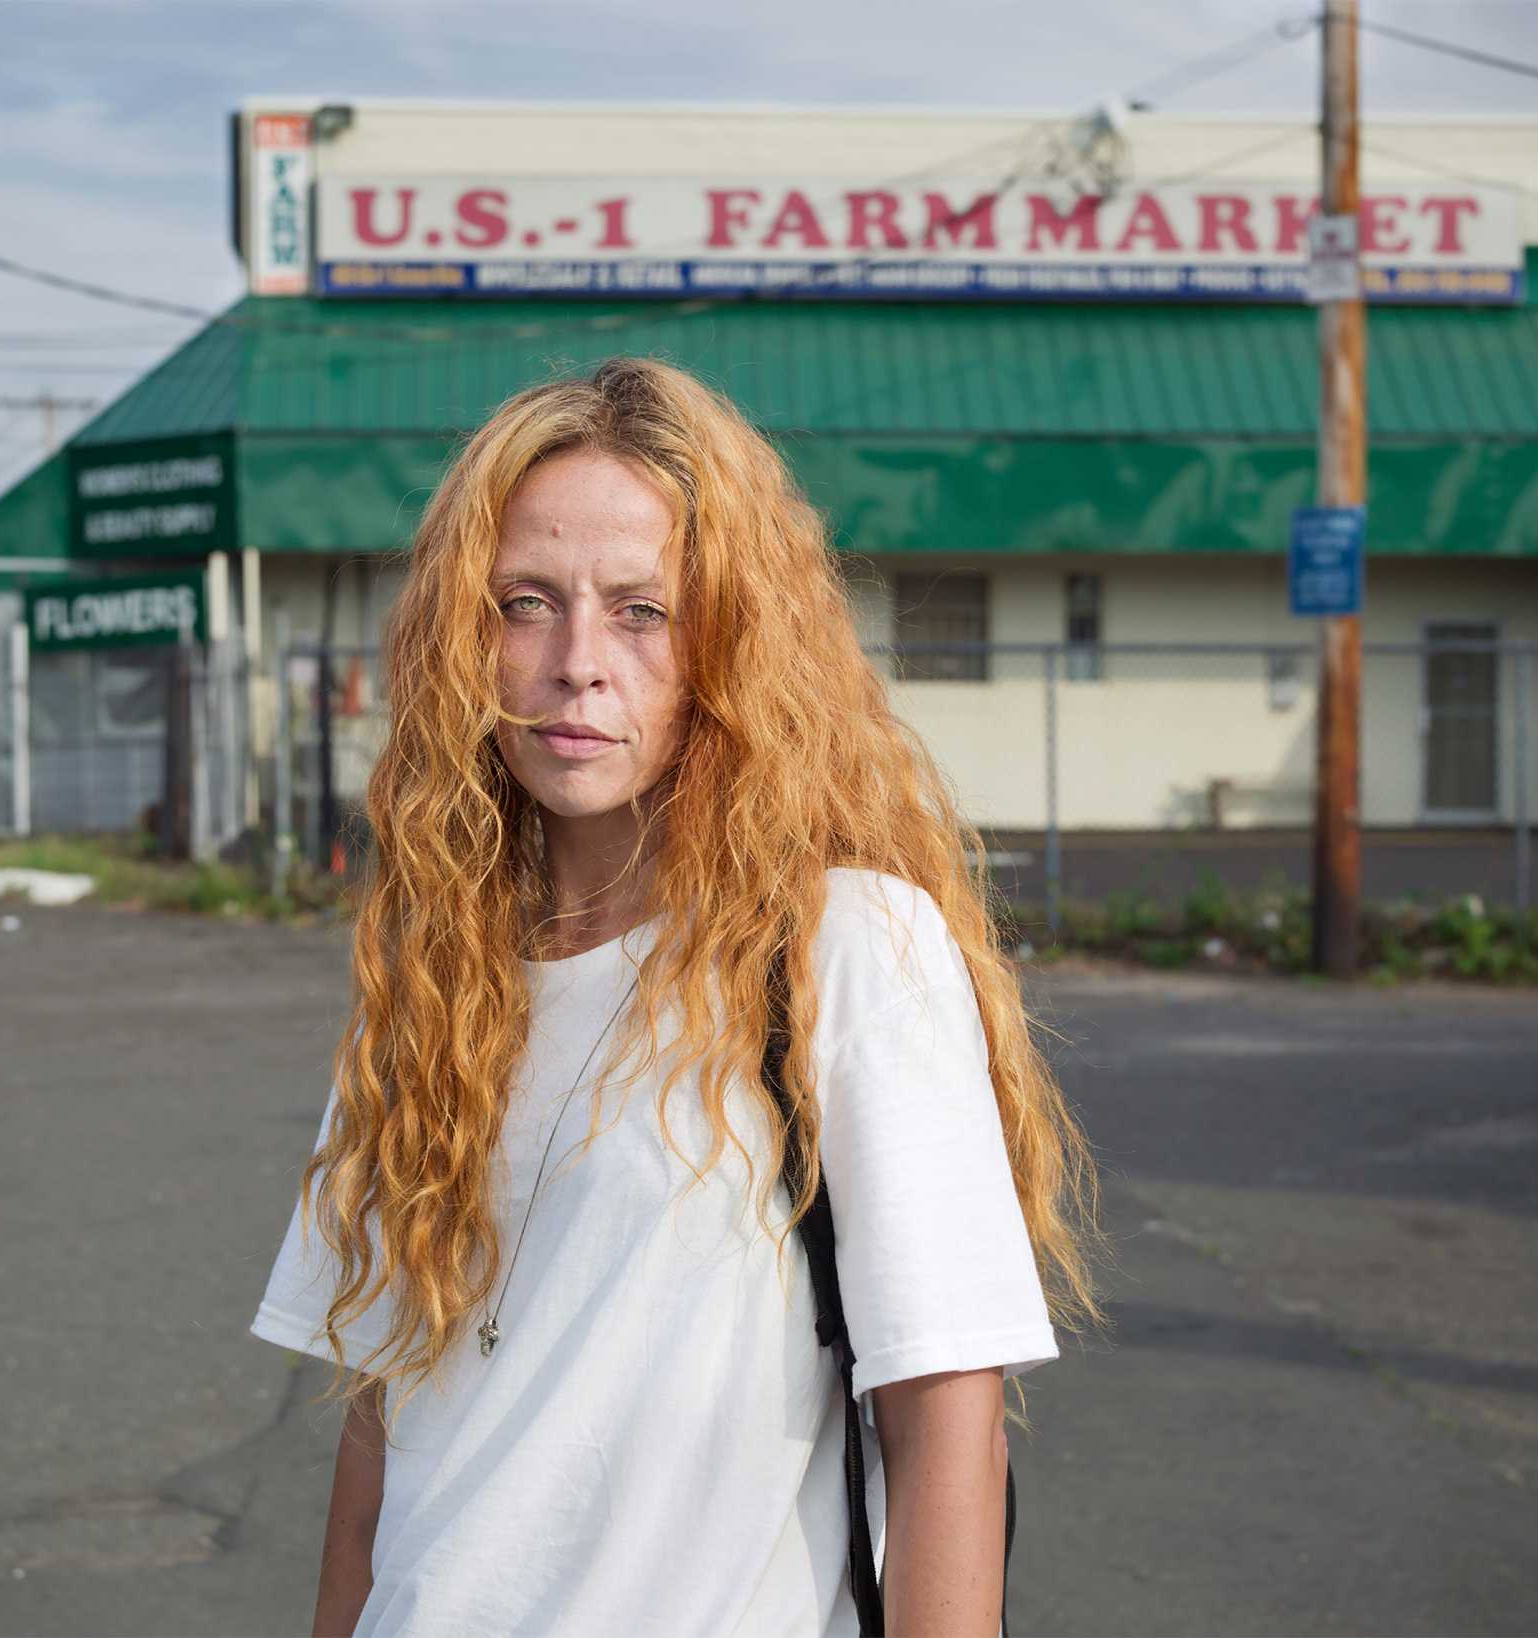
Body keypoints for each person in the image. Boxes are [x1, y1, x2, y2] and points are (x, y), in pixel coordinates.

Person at [252, 358, 1104, 1637]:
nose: (575, 664)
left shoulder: (840, 950)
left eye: (641, 610)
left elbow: (946, 1431)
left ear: (730, 640)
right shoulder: (430, 986)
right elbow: (377, 1445)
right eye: (524, 603)